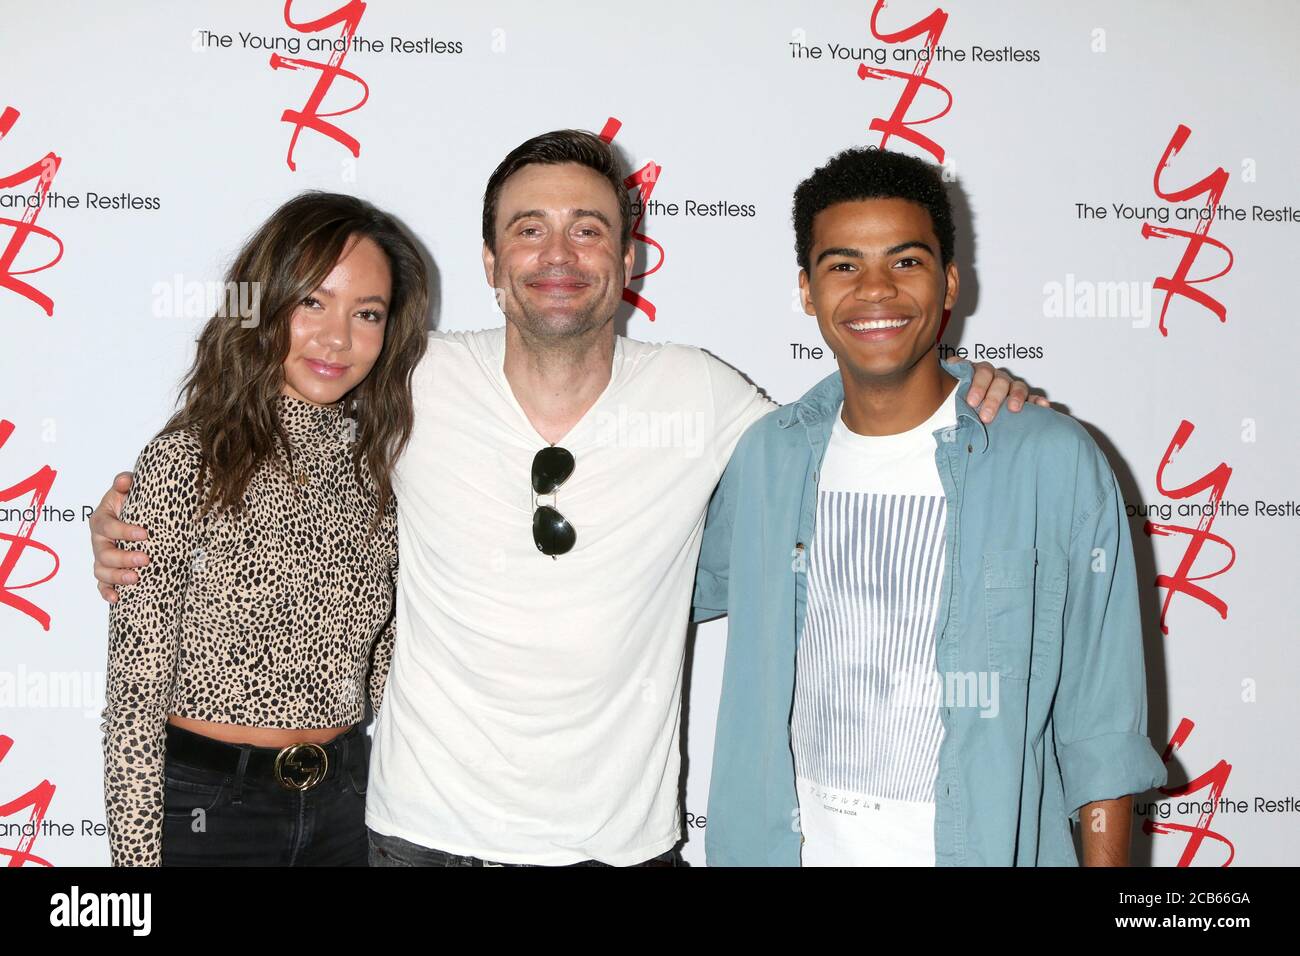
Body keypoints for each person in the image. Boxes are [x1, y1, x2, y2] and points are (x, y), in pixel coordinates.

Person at [91, 130, 1038, 868]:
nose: (559, 252)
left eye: (589, 229)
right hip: (414, 836)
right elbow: (262, 442)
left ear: (631, 263)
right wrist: (131, 521)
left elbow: (848, 437)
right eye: (528, 229)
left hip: (619, 845)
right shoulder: (410, 386)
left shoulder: (700, 394)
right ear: (493, 265)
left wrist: (971, 387)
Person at [693, 147, 1166, 866]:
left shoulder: (1048, 459)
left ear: (949, 282)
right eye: (844, 265)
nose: (875, 291)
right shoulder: (765, 459)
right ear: (806, 290)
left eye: (905, 262)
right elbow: (652, 588)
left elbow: (1102, 725)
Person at [100, 191, 429, 866]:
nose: (337, 338)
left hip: (347, 806)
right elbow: (135, 695)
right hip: (207, 815)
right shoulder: (186, 461)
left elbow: (391, 676)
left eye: (366, 314)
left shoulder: (387, 475)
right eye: (312, 301)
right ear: (262, 303)